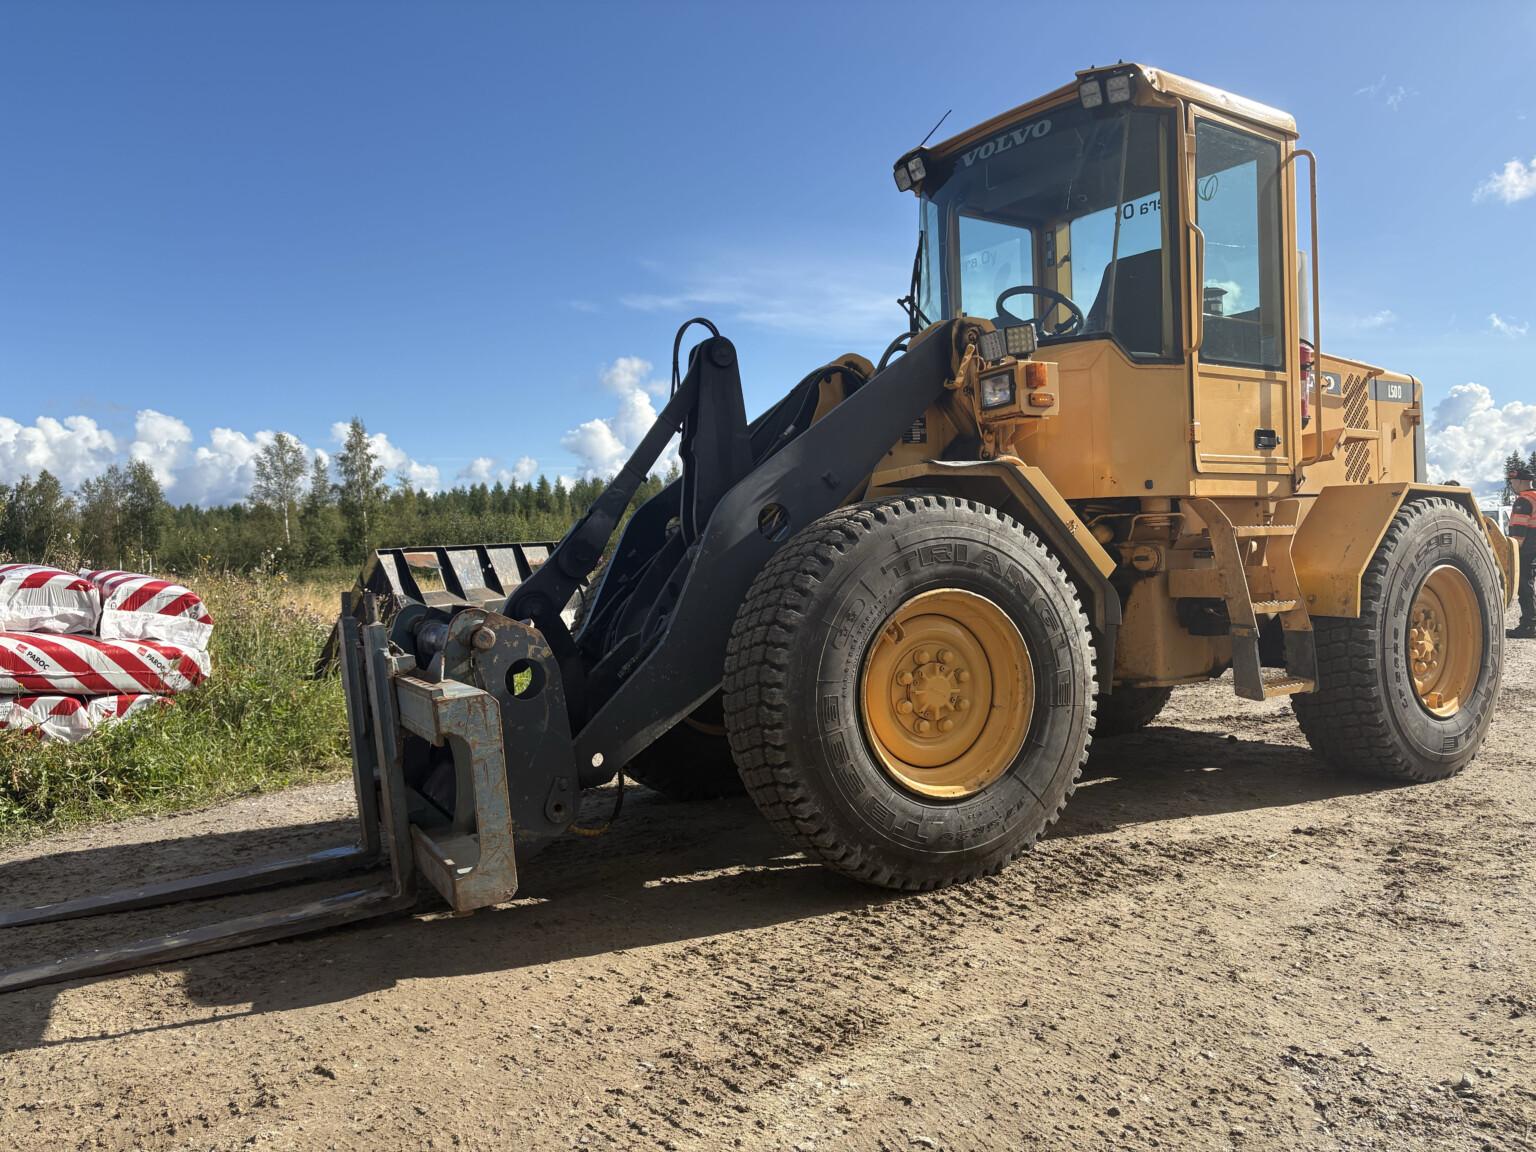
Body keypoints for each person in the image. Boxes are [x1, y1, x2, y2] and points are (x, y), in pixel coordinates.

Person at [1508, 464, 1536, 639]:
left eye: (1512, 481)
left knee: (1524, 586)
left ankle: (1529, 625)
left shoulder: (1523, 501)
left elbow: (1518, 532)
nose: (1511, 484)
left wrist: (1511, 552)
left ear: (1520, 481)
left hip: (1526, 550)